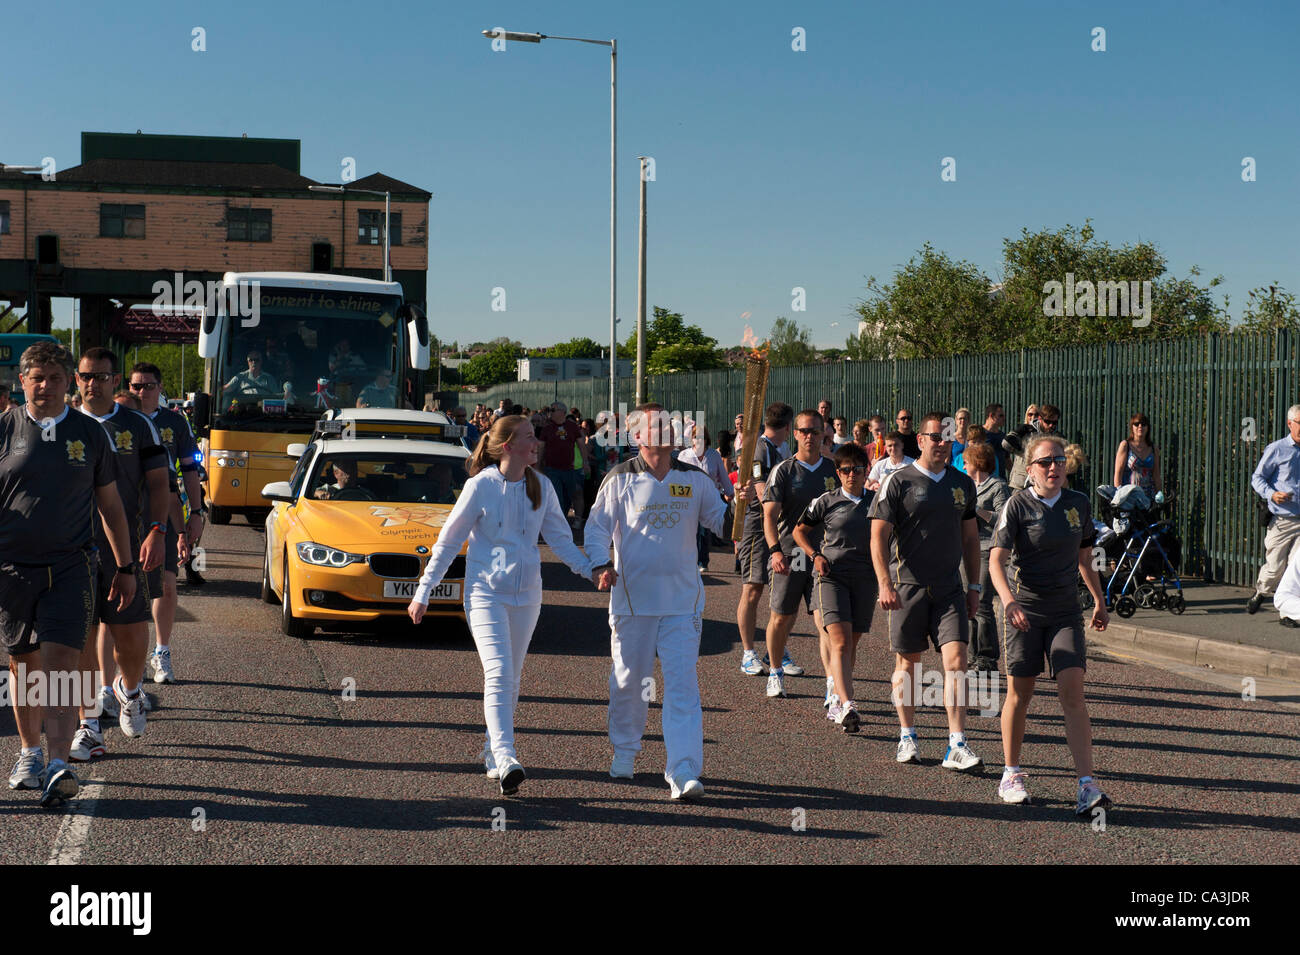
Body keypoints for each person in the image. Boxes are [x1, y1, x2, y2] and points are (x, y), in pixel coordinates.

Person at [408, 415, 602, 795]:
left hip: (527, 596)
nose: (537, 443)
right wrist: (424, 590)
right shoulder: (480, 487)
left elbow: (560, 541)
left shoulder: (541, 485)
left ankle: (491, 750)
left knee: (511, 679)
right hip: (484, 594)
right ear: (508, 445)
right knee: (497, 672)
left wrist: (590, 571)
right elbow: (449, 542)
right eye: (530, 437)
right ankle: (506, 753)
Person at [2, 341, 138, 807]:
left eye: (55, 377)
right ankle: (29, 753)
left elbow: (111, 507)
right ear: (22, 382)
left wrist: (125, 566)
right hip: (13, 571)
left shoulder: (90, 434)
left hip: (71, 566)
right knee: (24, 666)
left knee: (64, 663)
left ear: (68, 384)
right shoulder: (4, 430)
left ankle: (60, 763)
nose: (45, 385)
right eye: (36, 377)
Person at [583, 403, 728, 799]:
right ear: (637, 437)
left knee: (682, 686)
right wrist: (600, 564)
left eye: (668, 422)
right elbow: (595, 530)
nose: (665, 428)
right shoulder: (619, 479)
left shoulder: (694, 479)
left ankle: (682, 771)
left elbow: (721, 524)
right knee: (630, 682)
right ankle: (626, 750)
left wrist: (743, 506)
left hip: (683, 604)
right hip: (633, 602)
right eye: (655, 425)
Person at [989, 432, 1111, 813]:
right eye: (1045, 462)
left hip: (1064, 611)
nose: (1054, 467)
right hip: (1025, 611)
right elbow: (996, 560)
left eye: (1059, 460)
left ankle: (1087, 785)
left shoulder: (1079, 503)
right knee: (1020, 696)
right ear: (1030, 468)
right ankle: (1011, 772)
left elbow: (1085, 556)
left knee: (1073, 694)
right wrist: (1008, 602)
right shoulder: (1018, 506)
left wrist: (1099, 600)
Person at [68, 348, 170, 767]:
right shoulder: (63, 425)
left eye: (102, 376)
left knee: (127, 633)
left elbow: (160, 483)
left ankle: (130, 690)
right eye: (86, 376)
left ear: (115, 381)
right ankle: (88, 723)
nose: (93, 383)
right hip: (71, 548)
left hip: (124, 545)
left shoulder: (138, 426)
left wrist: (157, 531)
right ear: (77, 379)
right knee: (80, 637)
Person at [868, 411, 983, 770]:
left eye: (948, 438)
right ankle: (907, 735)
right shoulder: (898, 481)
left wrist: (974, 585)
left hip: (949, 588)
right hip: (907, 587)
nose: (942, 443)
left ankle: (956, 744)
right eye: (935, 437)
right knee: (909, 665)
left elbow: (970, 538)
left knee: (957, 663)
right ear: (920, 440)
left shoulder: (962, 484)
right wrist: (884, 583)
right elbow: (878, 536)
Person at [129, 363, 205, 686]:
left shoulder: (175, 422)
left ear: (160, 388)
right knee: (128, 592)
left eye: (148, 385)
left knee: (167, 585)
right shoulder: (119, 421)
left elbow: (188, 471)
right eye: (135, 386)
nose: (141, 392)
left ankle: (161, 652)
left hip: (166, 512)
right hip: (126, 515)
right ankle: (127, 663)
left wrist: (196, 514)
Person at [793, 442, 875, 731]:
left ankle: (839, 693)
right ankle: (847, 703)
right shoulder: (825, 501)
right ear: (838, 474)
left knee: (851, 643)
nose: (852, 474)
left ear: (867, 471)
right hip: (832, 576)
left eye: (858, 469)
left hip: (866, 578)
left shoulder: (878, 502)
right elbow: (798, 531)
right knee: (839, 641)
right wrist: (814, 555)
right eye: (846, 470)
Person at [758, 409, 839, 699]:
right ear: (795, 434)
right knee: (781, 617)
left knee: (826, 623)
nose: (809, 436)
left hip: (824, 558)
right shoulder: (784, 470)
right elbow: (769, 517)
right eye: (803, 431)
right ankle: (776, 672)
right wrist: (775, 551)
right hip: (790, 557)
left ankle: (833, 684)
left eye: (815, 431)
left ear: (823, 435)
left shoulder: (835, 470)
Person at [734, 403, 797, 677]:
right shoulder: (761, 448)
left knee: (782, 592)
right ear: (788, 426)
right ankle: (748, 653)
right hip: (759, 526)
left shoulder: (784, 449)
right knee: (753, 588)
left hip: (781, 525)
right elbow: (760, 488)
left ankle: (776, 649)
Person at [1247, 404, 1300, 617]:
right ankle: (1261, 591)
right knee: (1275, 567)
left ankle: (1288, 613)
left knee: (1296, 569)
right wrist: (1272, 494)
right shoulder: (1277, 449)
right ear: (1290, 424)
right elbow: (1257, 478)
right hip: (1281, 519)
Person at [966, 441, 1011, 671]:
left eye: (966, 462)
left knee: (982, 603)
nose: (964, 466)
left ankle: (988, 657)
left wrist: (978, 512)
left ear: (977, 463)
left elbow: (1003, 519)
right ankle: (972, 655)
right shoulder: (966, 485)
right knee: (968, 602)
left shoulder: (997, 486)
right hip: (965, 549)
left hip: (985, 548)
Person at [678, 425, 733, 573]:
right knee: (690, 530)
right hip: (688, 499)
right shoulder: (684, 455)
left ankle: (702, 562)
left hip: (709, 499)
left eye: (702, 437)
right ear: (692, 439)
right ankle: (689, 561)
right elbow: (677, 478)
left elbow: (722, 475)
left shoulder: (713, 455)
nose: (699, 439)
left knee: (703, 532)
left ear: (707, 439)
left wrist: (730, 492)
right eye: (696, 437)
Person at [1003, 404, 1061, 489]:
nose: (1051, 425)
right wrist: (1025, 453)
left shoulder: (1056, 436)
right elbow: (1005, 444)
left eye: (1054, 422)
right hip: (1020, 483)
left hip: (1042, 484)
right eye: (1048, 422)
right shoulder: (1026, 430)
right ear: (1040, 419)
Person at [1112, 412, 1160, 494]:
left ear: (1148, 427)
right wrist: (1119, 494)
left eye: (1143, 424)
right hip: (1128, 496)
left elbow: (1156, 475)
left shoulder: (1153, 448)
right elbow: (1118, 473)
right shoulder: (1125, 445)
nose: (1140, 426)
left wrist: (1159, 493)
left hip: (1148, 497)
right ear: (1132, 427)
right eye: (1137, 424)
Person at [983, 403, 1008, 475]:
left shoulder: (1003, 436)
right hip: (984, 479)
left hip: (1001, 479)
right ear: (991, 416)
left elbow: (1006, 459)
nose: (1004, 418)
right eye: (1001, 416)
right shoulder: (979, 434)